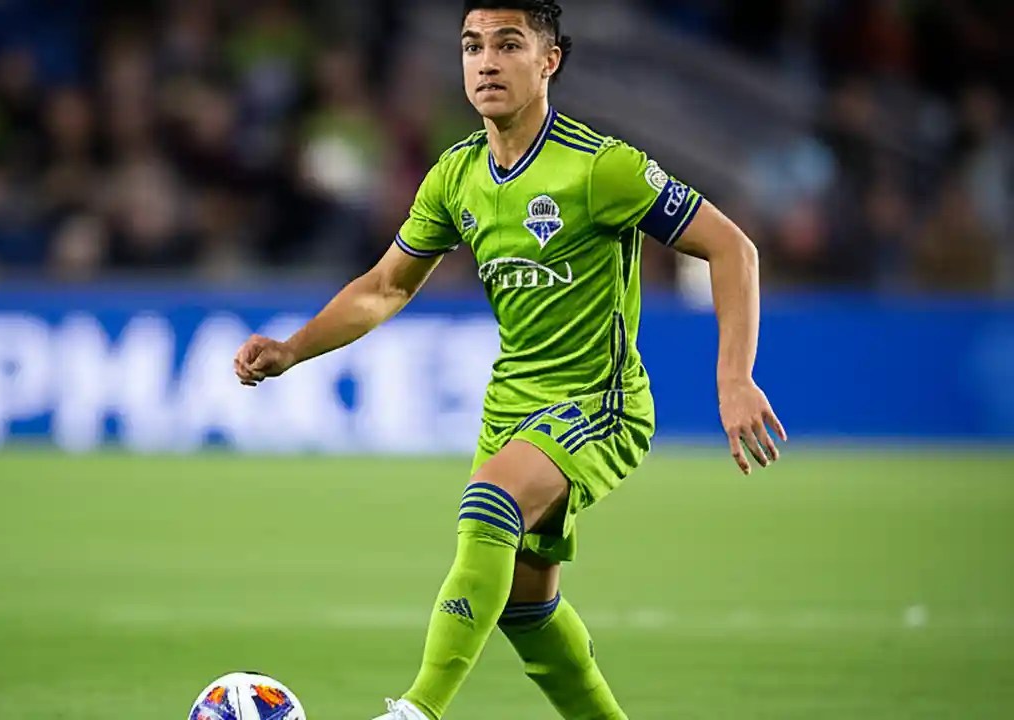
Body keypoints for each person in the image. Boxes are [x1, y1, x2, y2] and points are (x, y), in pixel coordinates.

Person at [232, 2, 787, 717]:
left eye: (507, 43)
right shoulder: (455, 177)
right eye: (471, 46)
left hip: (599, 404)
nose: (486, 61)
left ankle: (417, 710)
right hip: (512, 407)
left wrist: (734, 377)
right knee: (528, 612)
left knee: (488, 502)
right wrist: (291, 349)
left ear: (548, 59)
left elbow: (732, 248)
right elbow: (383, 287)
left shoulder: (601, 168)